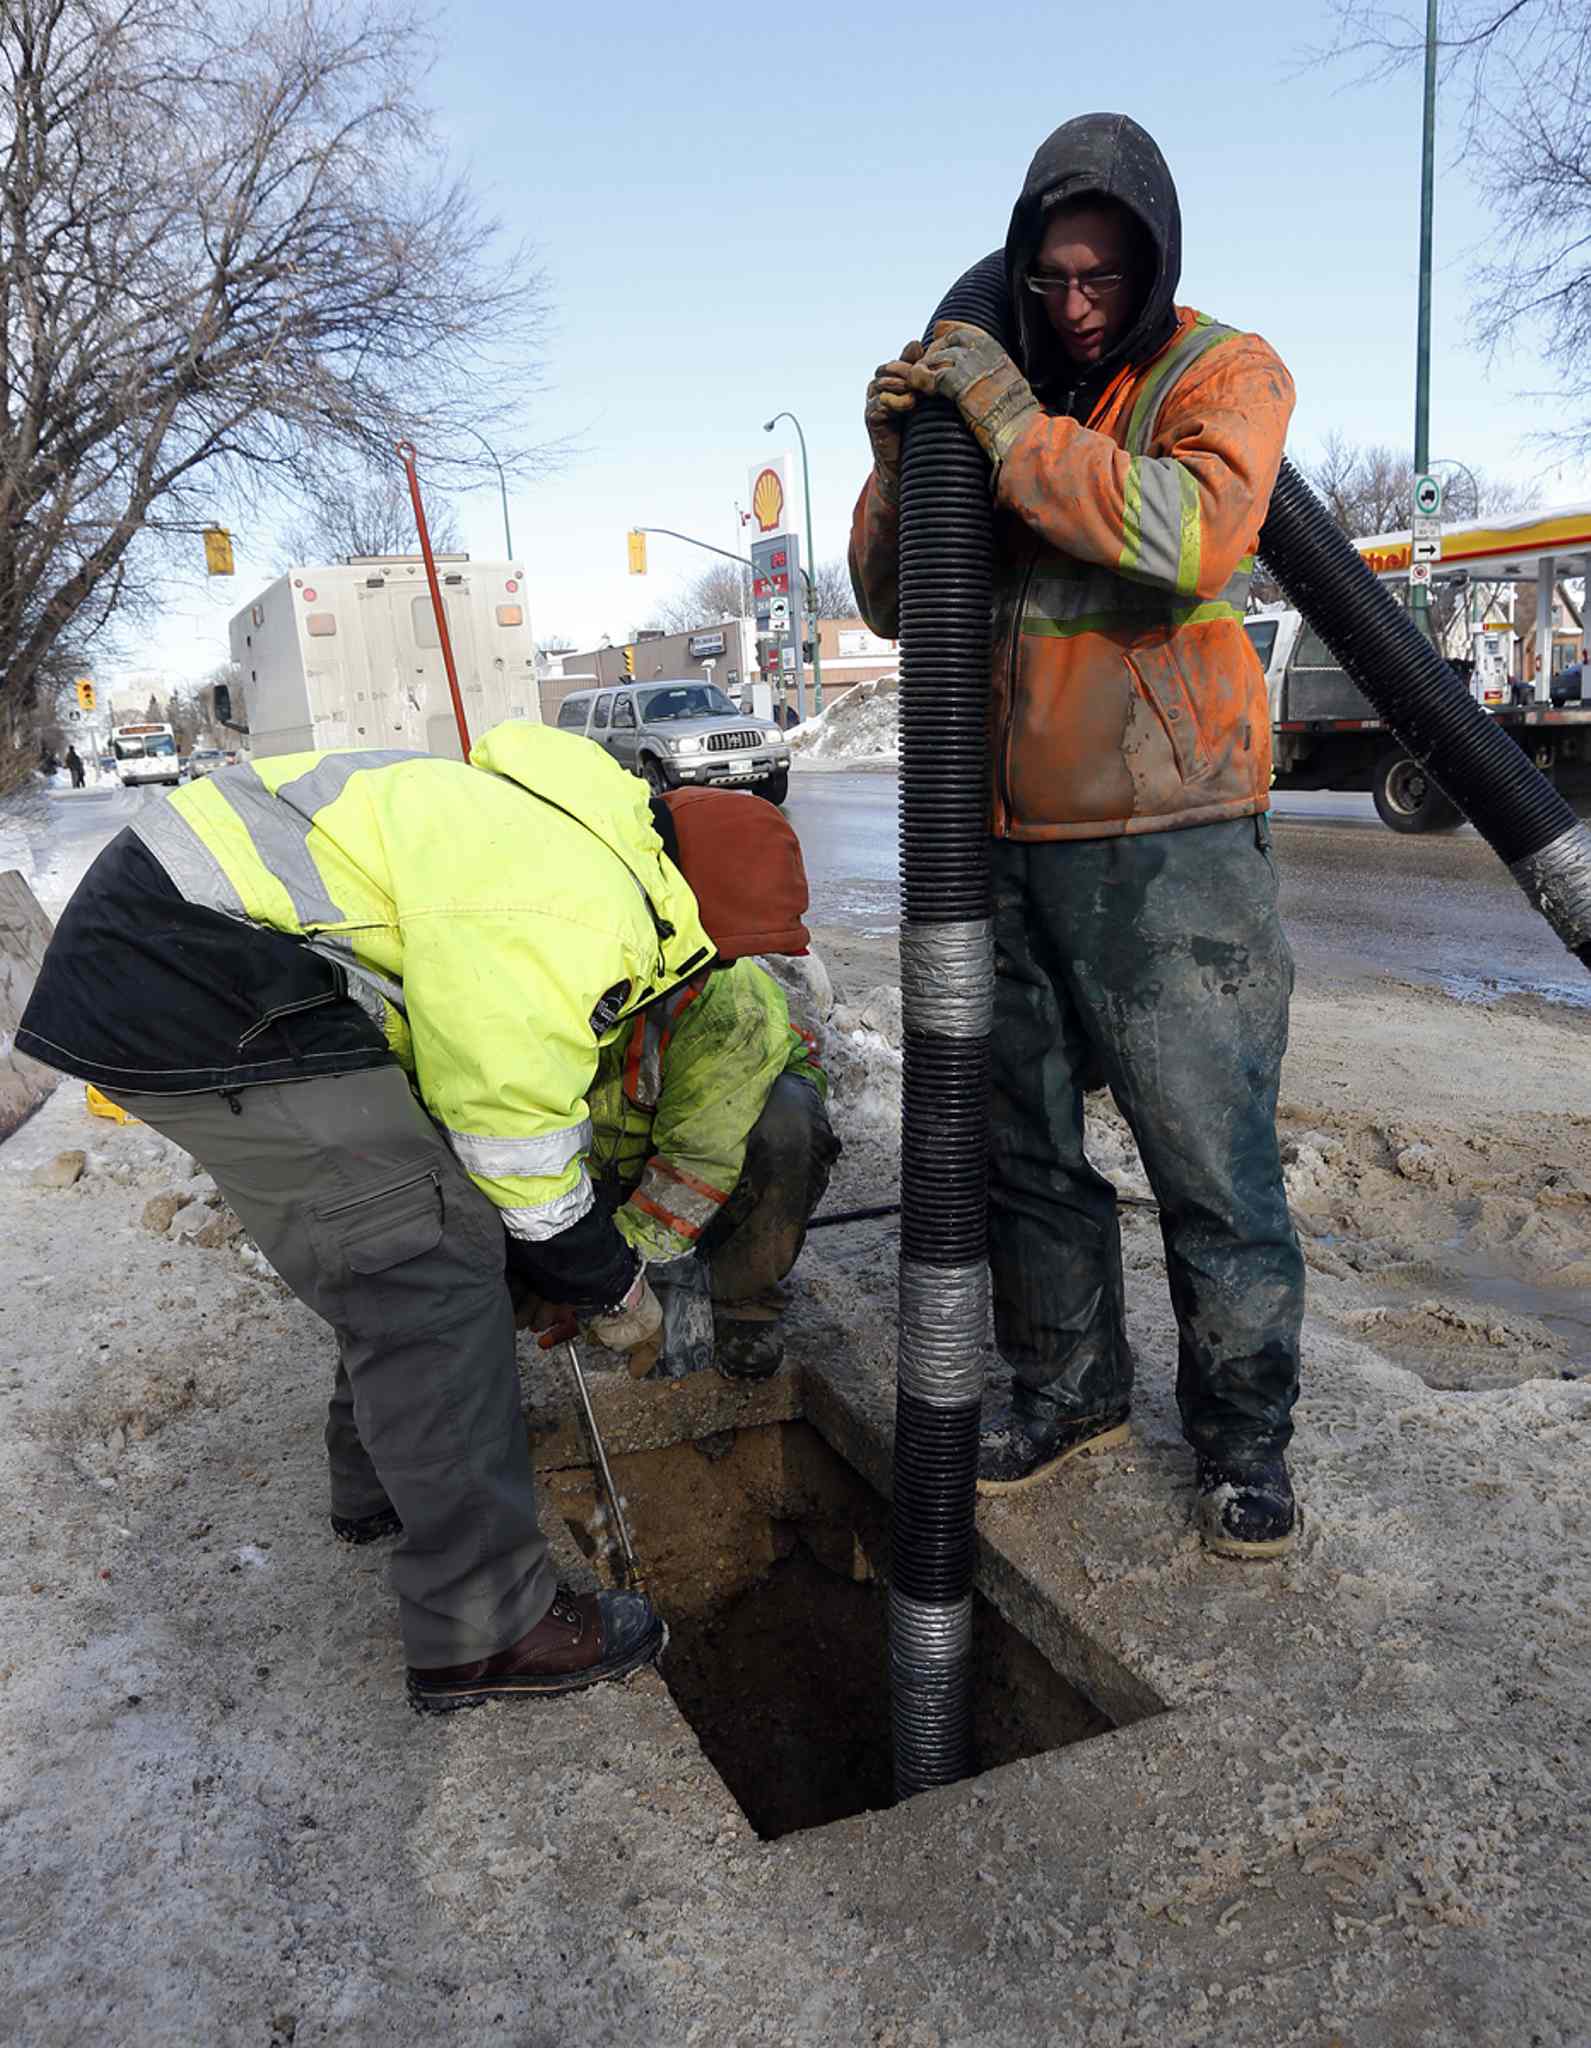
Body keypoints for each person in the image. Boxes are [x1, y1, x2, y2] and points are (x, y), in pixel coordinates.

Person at [18, 724, 816, 1704]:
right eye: (721, 949)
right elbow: (512, 1133)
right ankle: (485, 1628)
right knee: (422, 1256)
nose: (712, 972)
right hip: (195, 967)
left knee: (408, 1231)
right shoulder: (572, 900)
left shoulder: (570, 838)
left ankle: (381, 1489)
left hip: (194, 955)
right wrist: (608, 1283)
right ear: (694, 906)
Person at [850, 112, 1305, 1559]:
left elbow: (1186, 537)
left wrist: (1002, 424)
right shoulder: (998, 394)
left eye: (1102, 273)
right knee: (1025, 1146)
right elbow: (884, 602)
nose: (1072, 301)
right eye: (1048, 274)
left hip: (1165, 844)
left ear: (1154, 264)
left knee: (1205, 1157)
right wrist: (894, 457)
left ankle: (1241, 1439)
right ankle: (1069, 1386)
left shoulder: (1216, 373)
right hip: (993, 838)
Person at [549, 871, 838, 1380]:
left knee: (788, 1126)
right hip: (621, 1160)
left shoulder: (719, 994)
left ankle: (744, 1299)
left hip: (722, 1141)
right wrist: (568, 1263)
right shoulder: (524, 988)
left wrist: (617, 1276)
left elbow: (697, 1161)